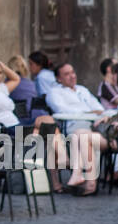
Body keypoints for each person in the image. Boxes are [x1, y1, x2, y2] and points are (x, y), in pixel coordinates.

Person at [45, 62, 113, 195]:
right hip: (73, 125)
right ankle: (90, 182)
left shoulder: (83, 90)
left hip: (95, 125)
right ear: (59, 79)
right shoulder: (54, 93)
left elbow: (100, 108)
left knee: (88, 137)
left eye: (72, 72)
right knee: (83, 137)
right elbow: (63, 110)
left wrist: (92, 113)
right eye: (67, 74)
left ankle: (86, 180)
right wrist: (89, 112)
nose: (72, 76)